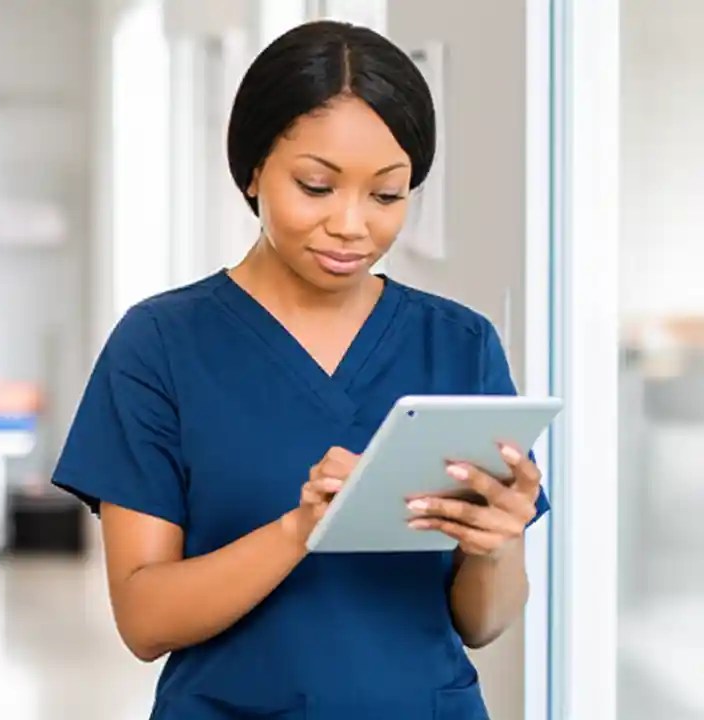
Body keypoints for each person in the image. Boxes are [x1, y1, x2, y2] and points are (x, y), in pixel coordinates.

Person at [52, 21, 547, 719]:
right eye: (316, 186)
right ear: (254, 169)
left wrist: (497, 544)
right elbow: (144, 620)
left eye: (386, 195)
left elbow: (481, 623)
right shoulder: (160, 344)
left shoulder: (459, 345)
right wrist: (301, 529)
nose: (351, 224)